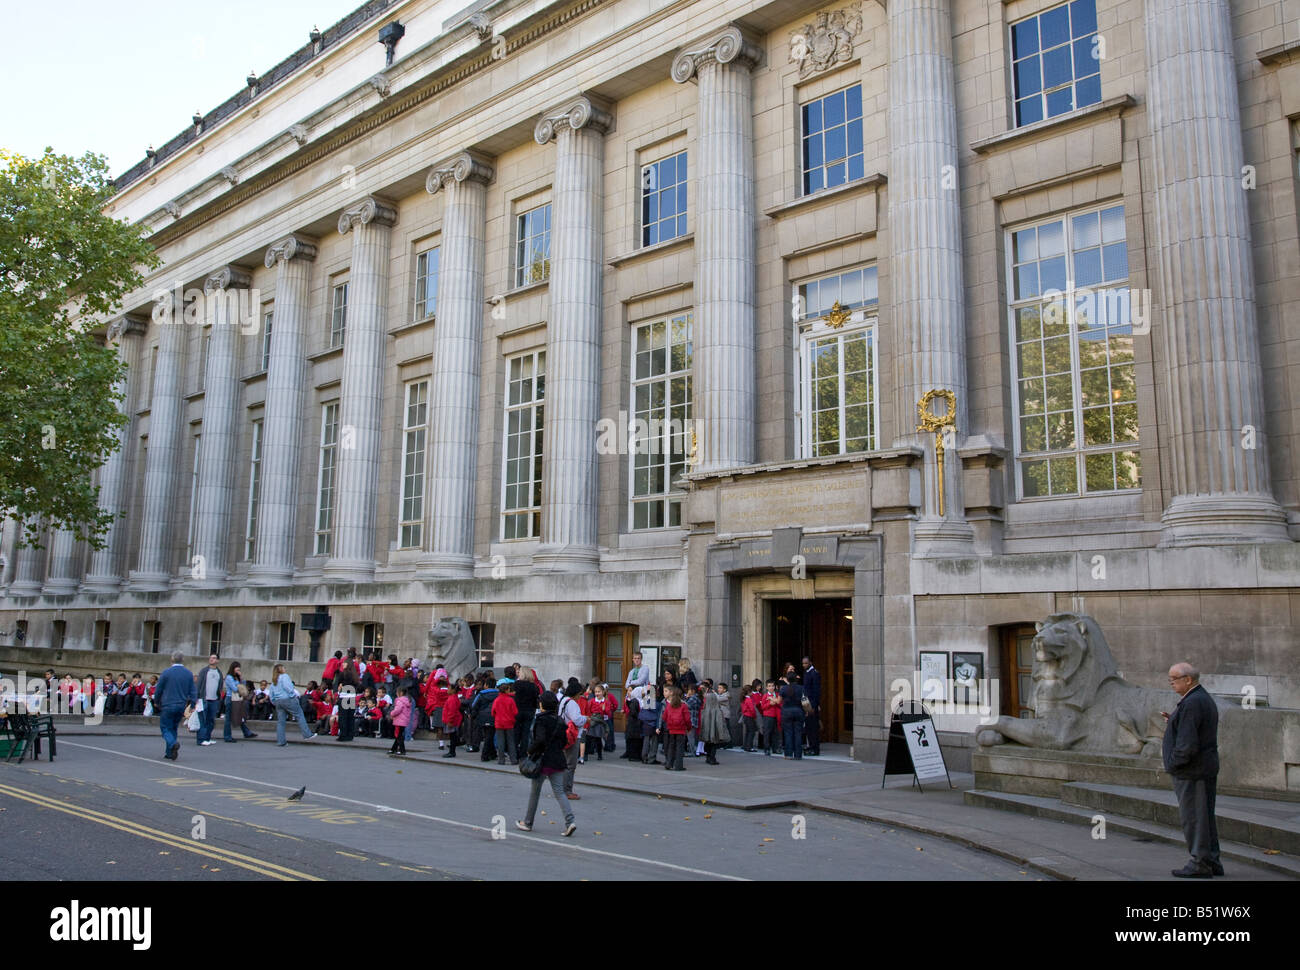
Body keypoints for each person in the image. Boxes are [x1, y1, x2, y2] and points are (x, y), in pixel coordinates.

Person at [1163, 663, 1222, 878]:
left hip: (1192, 771)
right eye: (1170, 678)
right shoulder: (1199, 699)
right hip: (1201, 768)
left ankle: (1200, 863)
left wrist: (1173, 763)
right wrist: (1173, 722)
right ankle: (1212, 861)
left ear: (1188, 679)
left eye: (1175, 678)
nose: (1171, 682)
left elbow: (1187, 744)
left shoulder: (1192, 702)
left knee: (1194, 818)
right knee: (1204, 817)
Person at [516, 692, 576, 837]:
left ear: (542, 705)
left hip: (542, 761)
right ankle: (570, 821)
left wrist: (530, 751)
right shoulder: (560, 721)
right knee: (560, 792)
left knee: (535, 792)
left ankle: (528, 822)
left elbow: (540, 740)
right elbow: (564, 741)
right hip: (558, 759)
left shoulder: (541, 720)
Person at [154, 652, 196, 761]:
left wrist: (156, 701)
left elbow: (159, 689)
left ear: (172, 659)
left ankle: (172, 744)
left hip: (168, 703)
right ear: (182, 660)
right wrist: (193, 704)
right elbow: (193, 690)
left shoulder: (166, 672)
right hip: (181, 704)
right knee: (173, 728)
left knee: (165, 728)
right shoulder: (188, 673)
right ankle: (169, 752)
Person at [269, 663, 317, 746]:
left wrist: (274, 702)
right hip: (288, 699)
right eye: (283, 667)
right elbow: (288, 687)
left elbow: (271, 694)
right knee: (299, 715)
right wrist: (293, 696)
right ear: (281, 669)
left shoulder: (274, 680)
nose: (285, 669)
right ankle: (307, 734)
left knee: (281, 722)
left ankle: (281, 741)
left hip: (278, 701)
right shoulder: (284, 676)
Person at [557, 683, 588, 798]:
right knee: (570, 764)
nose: (580, 697)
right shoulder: (572, 703)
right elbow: (577, 720)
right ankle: (567, 790)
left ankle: (560, 787)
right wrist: (586, 718)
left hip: (562, 733)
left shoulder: (563, 700)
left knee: (564, 763)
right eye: (579, 694)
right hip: (572, 735)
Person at [223, 662, 257, 742]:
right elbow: (234, 689)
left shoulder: (236, 678)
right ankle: (227, 736)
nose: (238, 671)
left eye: (239, 669)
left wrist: (241, 678)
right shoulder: (229, 677)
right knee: (228, 718)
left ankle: (247, 732)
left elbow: (244, 685)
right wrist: (240, 686)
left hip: (237, 699)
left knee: (240, 716)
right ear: (233, 669)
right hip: (230, 699)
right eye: (237, 669)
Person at [194, 654, 223, 746]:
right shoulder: (204, 671)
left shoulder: (219, 672)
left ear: (217, 660)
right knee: (202, 719)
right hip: (203, 699)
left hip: (214, 699)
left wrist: (219, 698)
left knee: (211, 720)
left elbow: (220, 686)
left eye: (214, 658)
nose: (211, 659)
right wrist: (196, 698)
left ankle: (207, 738)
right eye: (210, 658)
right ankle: (200, 739)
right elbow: (198, 685)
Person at [661, 687, 691, 770]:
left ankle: (669, 764)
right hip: (681, 729)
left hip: (671, 728)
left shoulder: (669, 705)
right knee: (679, 748)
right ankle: (678, 766)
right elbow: (687, 719)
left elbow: (664, 717)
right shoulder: (683, 706)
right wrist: (688, 728)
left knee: (671, 746)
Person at [699, 682, 728, 765]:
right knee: (713, 743)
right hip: (715, 731)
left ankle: (708, 757)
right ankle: (712, 758)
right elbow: (720, 722)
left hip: (707, 731)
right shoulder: (717, 710)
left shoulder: (705, 710)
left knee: (708, 742)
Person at [779, 674, 806, 760]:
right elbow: (805, 700)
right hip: (798, 711)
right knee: (798, 733)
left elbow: (779, 701)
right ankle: (798, 755)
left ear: (787, 679)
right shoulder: (801, 688)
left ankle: (788, 754)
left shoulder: (783, 688)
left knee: (788, 733)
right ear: (796, 679)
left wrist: (772, 700)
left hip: (787, 712)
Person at [492, 680, 519, 765]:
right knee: (511, 741)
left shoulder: (496, 700)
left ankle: (501, 759)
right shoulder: (510, 700)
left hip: (499, 722)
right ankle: (513, 759)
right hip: (509, 723)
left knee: (501, 742)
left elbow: (493, 712)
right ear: (506, 690)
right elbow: (515, 712)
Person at [801, 656, 821, 756]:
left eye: (806, 663)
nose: (804, 665)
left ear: (810, 663)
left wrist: (813, 706)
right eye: (803, 663)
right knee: (808, 727)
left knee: (813, 728)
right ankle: (811, 746)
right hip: (806, 703)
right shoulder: (807, 673)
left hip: (812, 705)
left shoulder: (814, 673)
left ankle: (815, 749)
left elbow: (816, 691)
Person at [388, 687, 412, 756]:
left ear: (400, 693)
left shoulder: (399, 701)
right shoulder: (407, 700)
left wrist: (391, 713)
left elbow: (397, 710)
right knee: (399, 734)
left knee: (398, 735)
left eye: (397, 692)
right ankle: (393, 749)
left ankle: (402, 750)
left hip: (399, 720)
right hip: (404, 721)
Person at [442, 685, 463, 758]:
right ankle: (452, 751)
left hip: (452, 720)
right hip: (453, 720)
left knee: (452, 736)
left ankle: (452, 752)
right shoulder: (453, 698)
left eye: (449, 689)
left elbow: (452, 711)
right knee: (452, 736)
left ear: (453, 690)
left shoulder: (452, 699)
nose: (447, 690)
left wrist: (450, 721)